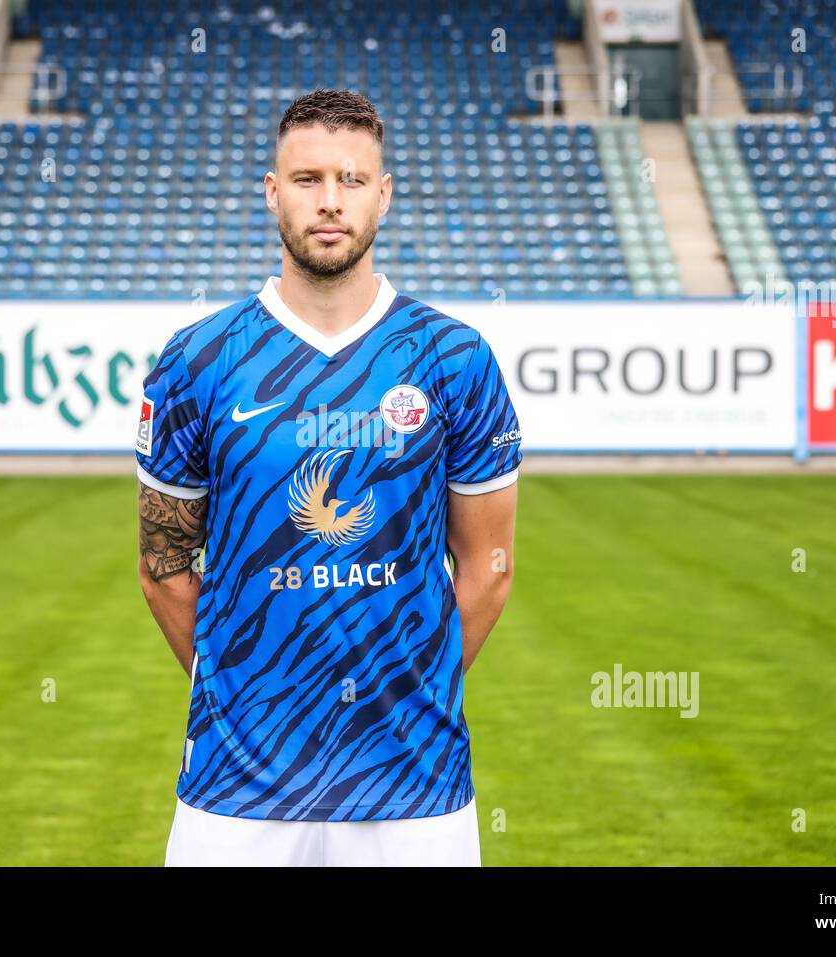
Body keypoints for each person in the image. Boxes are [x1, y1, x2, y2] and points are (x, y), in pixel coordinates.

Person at [136, 88, 521, 866]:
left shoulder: (454, 358)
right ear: (273, 192)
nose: (330, 201)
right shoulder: (196, 360)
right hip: (236, 785)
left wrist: (411, 689)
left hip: (411, 783)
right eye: (308, 179)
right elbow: (164, 566)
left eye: (351, 179)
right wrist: (247, 693)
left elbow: (489, 568)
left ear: (383, 194)